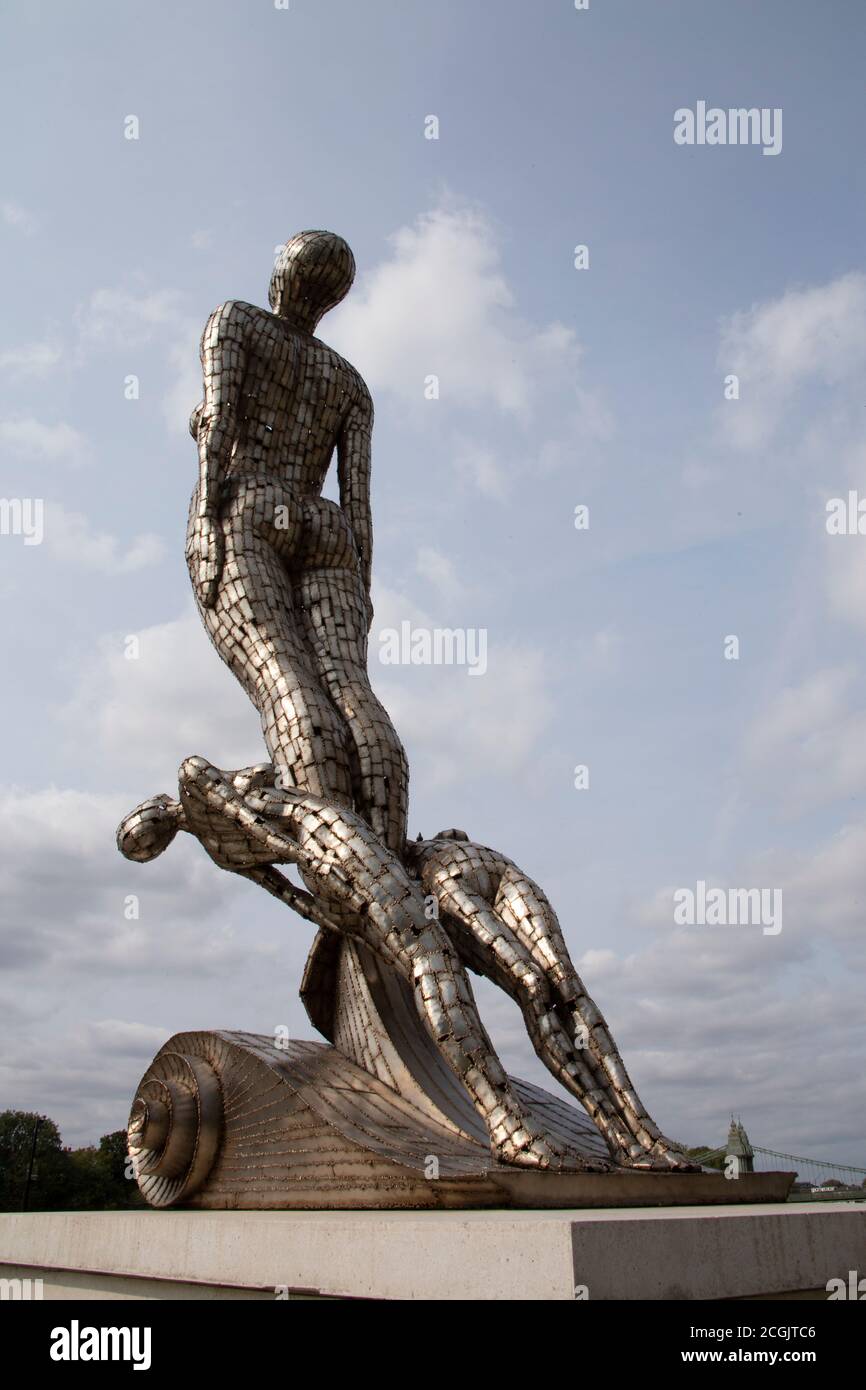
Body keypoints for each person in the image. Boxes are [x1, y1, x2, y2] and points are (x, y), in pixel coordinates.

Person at [185, 231, 408, 855]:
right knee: (351, 689)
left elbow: (220, 422)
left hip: (252, 504)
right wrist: (361, 587)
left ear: (281, 272)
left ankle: (345, 872)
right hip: (326, 524)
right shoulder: (349, 382)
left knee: (288, 683)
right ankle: (384, 855)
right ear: (334, 298)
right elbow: (359, 503)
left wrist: (206, 517)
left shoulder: (237, 323)